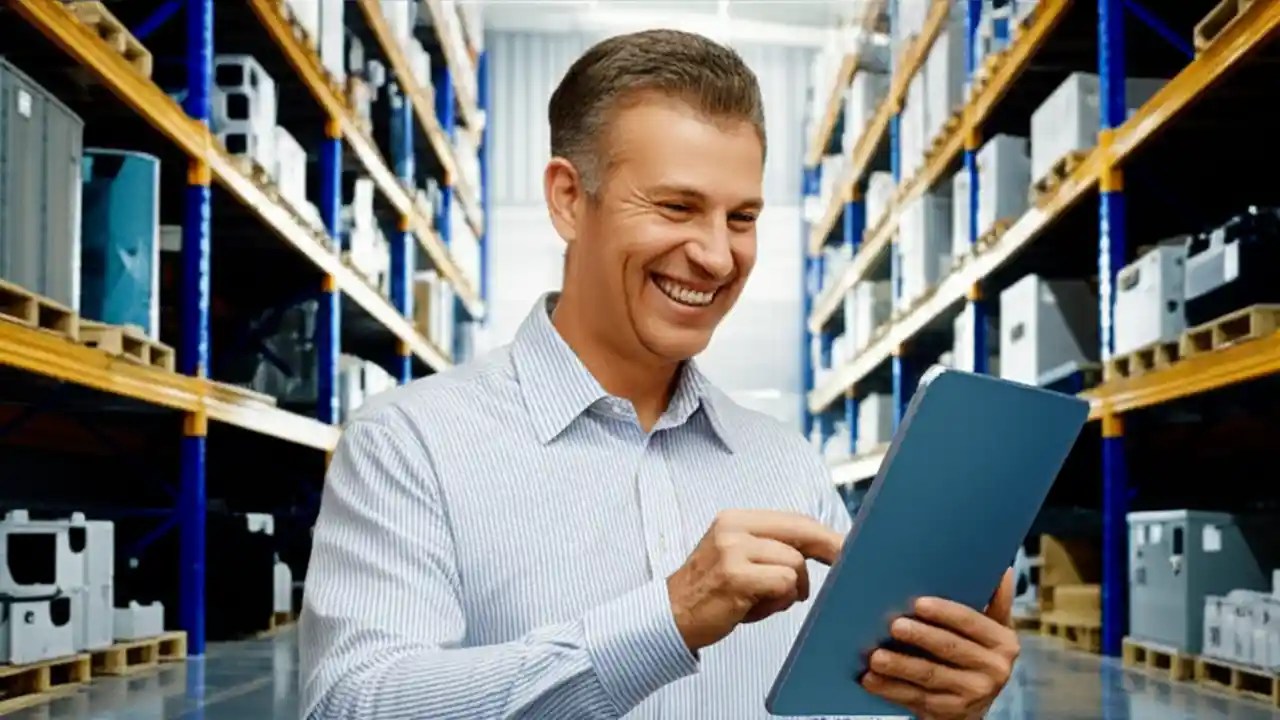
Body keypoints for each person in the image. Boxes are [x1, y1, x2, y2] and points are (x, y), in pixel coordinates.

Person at [299, 29, 1020, 720]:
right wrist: (664, 620)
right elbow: (350, 705)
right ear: (568, 199)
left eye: (741, 218)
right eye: (677, 207)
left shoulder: (788, 467)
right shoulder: (408, 446)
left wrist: (939, 705)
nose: (714, 255)